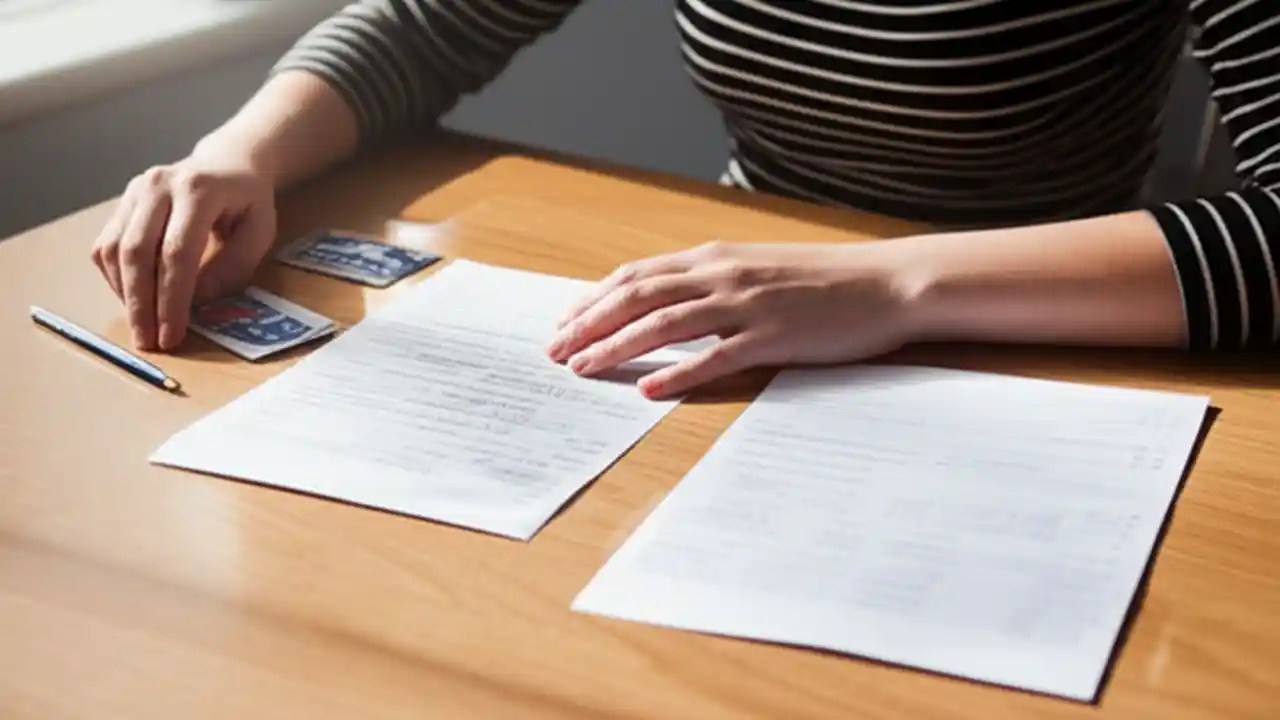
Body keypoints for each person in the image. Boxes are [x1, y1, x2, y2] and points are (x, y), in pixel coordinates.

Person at [91, 1, 1279, 399]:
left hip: (1049, 333)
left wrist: (890, 283)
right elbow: (430, 21)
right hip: (736, 308)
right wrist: (236, 153)